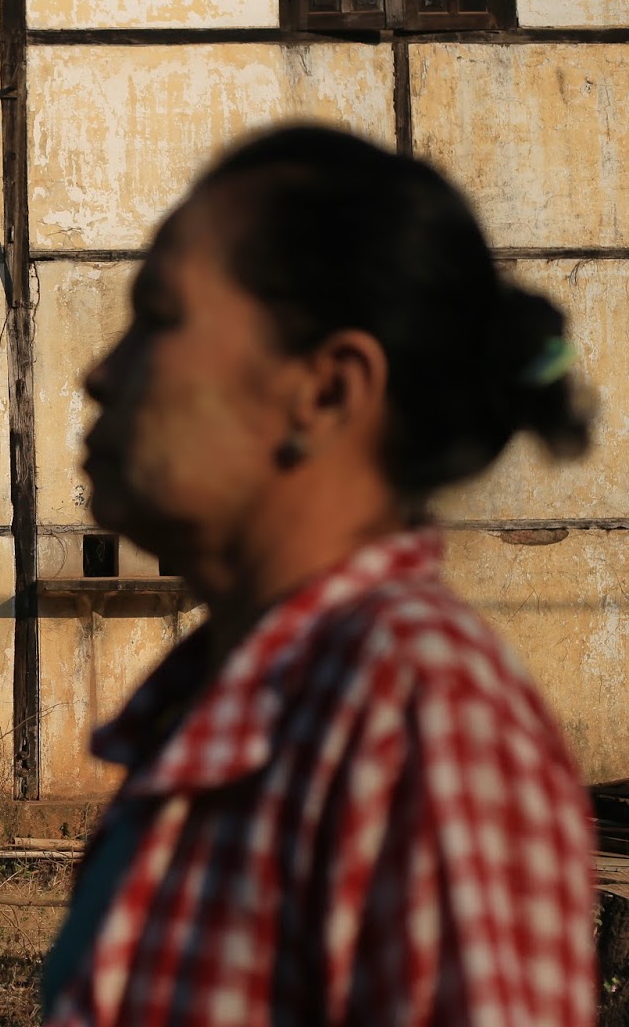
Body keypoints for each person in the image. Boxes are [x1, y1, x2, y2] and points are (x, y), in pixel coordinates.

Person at [42, 126, 597, 1026]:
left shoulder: (415, 710)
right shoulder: (233, 708)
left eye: (158, 316)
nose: (100, 371)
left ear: (329, 390)